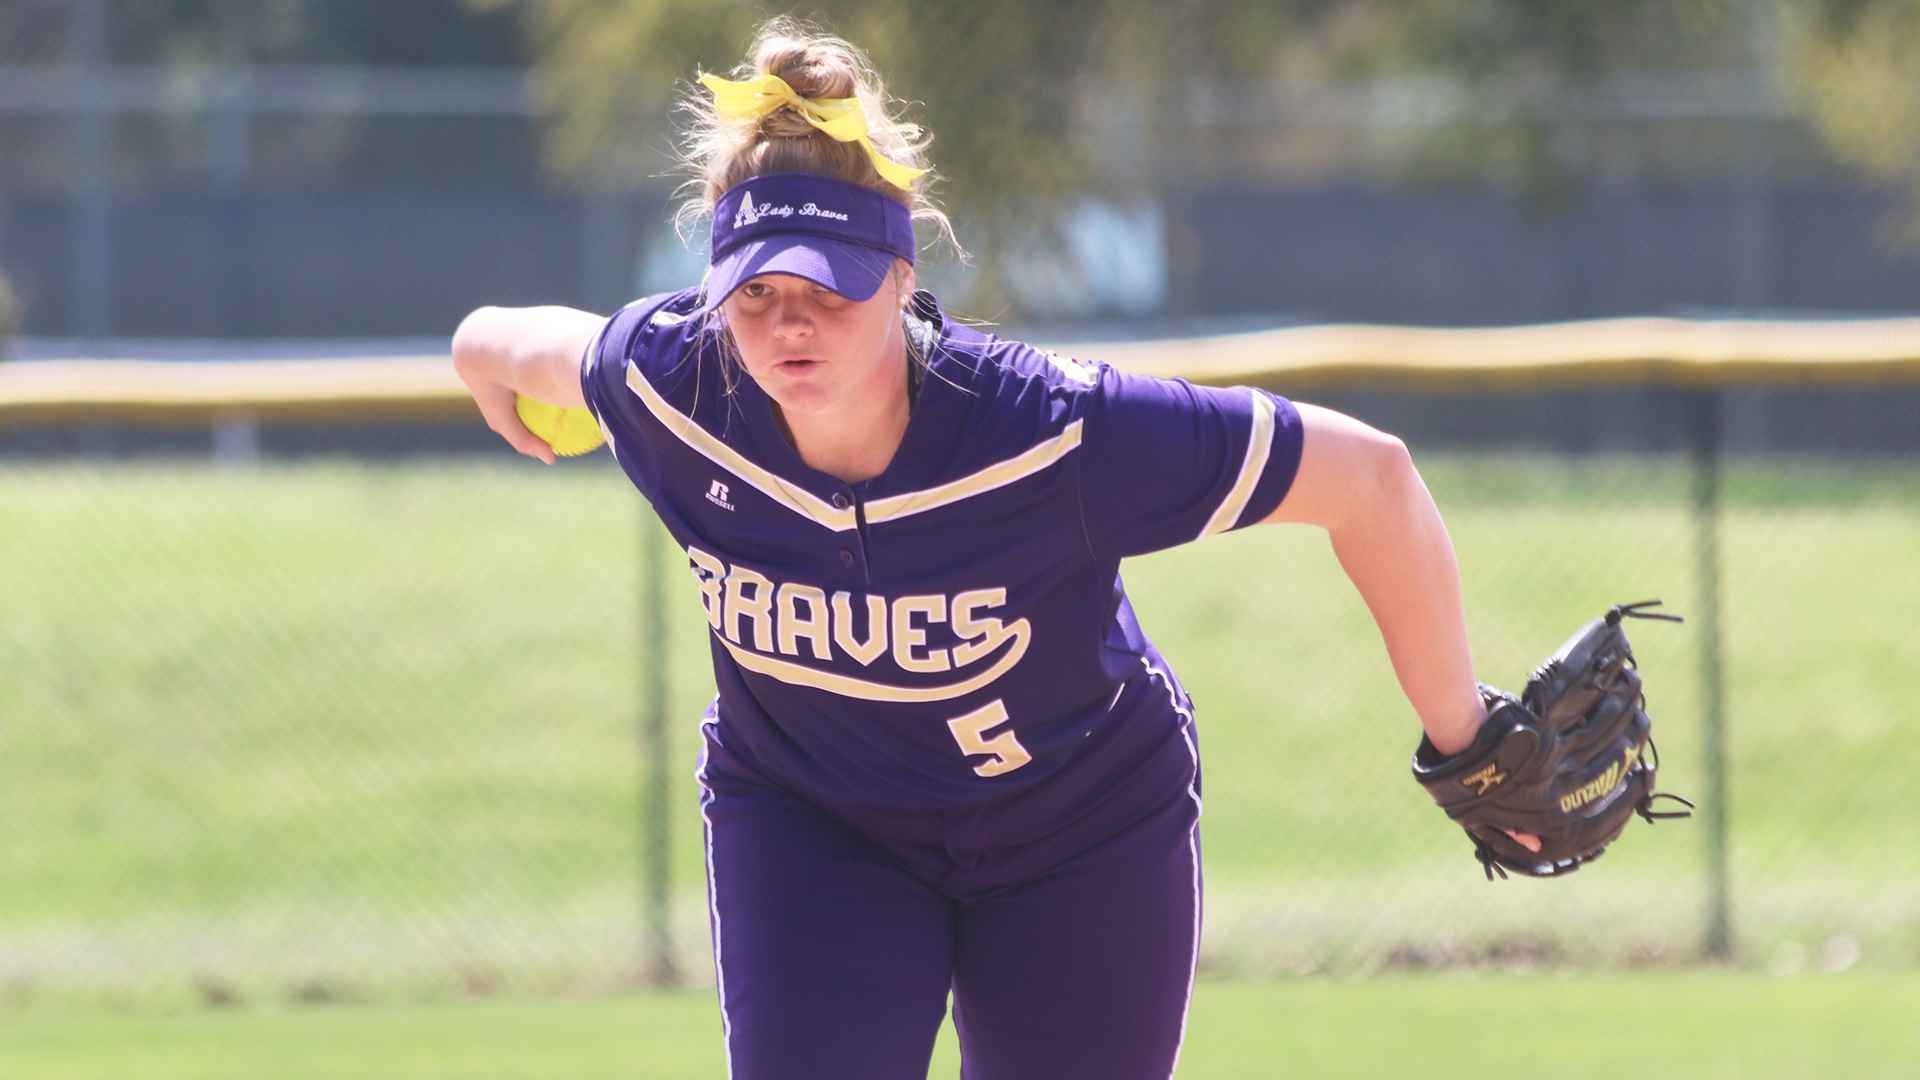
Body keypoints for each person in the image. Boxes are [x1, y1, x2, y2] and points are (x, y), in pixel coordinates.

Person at [452, 19, 1529, 1080]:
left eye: (826, 283)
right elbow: (502, 340)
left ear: (898, 272)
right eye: (757, 290)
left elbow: (1371, 478)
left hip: (1080, 829)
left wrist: (1466, 735)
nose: (790, 323)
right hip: (816, 825)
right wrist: (479, 358)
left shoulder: (1050, 430)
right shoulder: (670, 385)